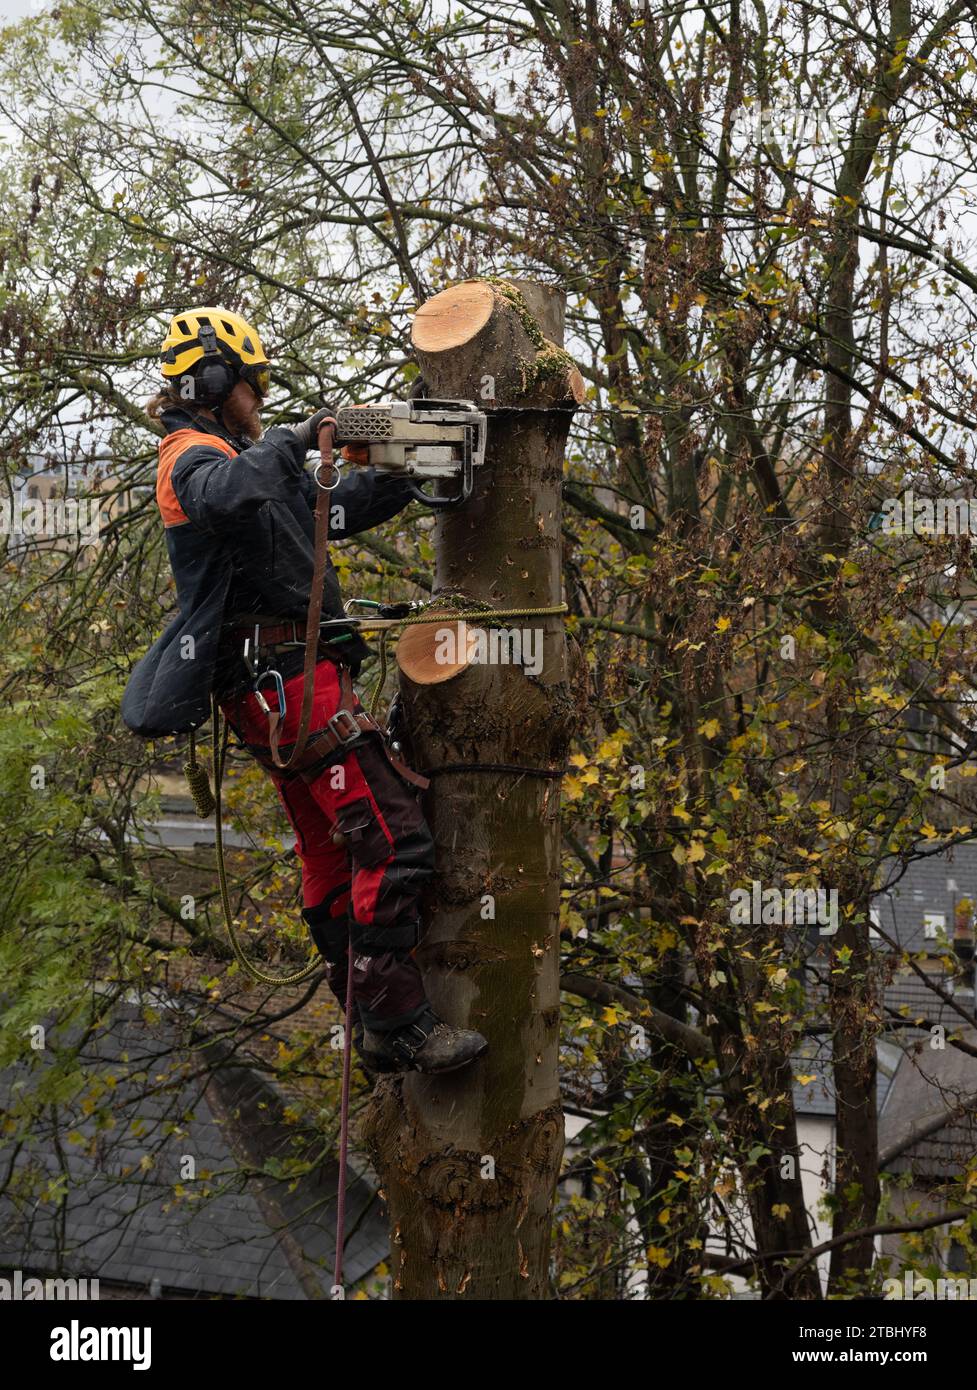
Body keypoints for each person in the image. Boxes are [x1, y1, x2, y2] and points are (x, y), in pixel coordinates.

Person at [122, 306, 488, 1076]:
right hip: (280, 679)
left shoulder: (243, 469)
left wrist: (403, 468)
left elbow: (333, 510)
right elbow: (227, 492)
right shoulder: (190, 457)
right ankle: (399, 1023)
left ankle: (367, 1010)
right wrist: (304, 435)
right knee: (394, 838)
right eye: (251, 387)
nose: (258, 402)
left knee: (329, 852)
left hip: (288, 679)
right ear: (216, 381)